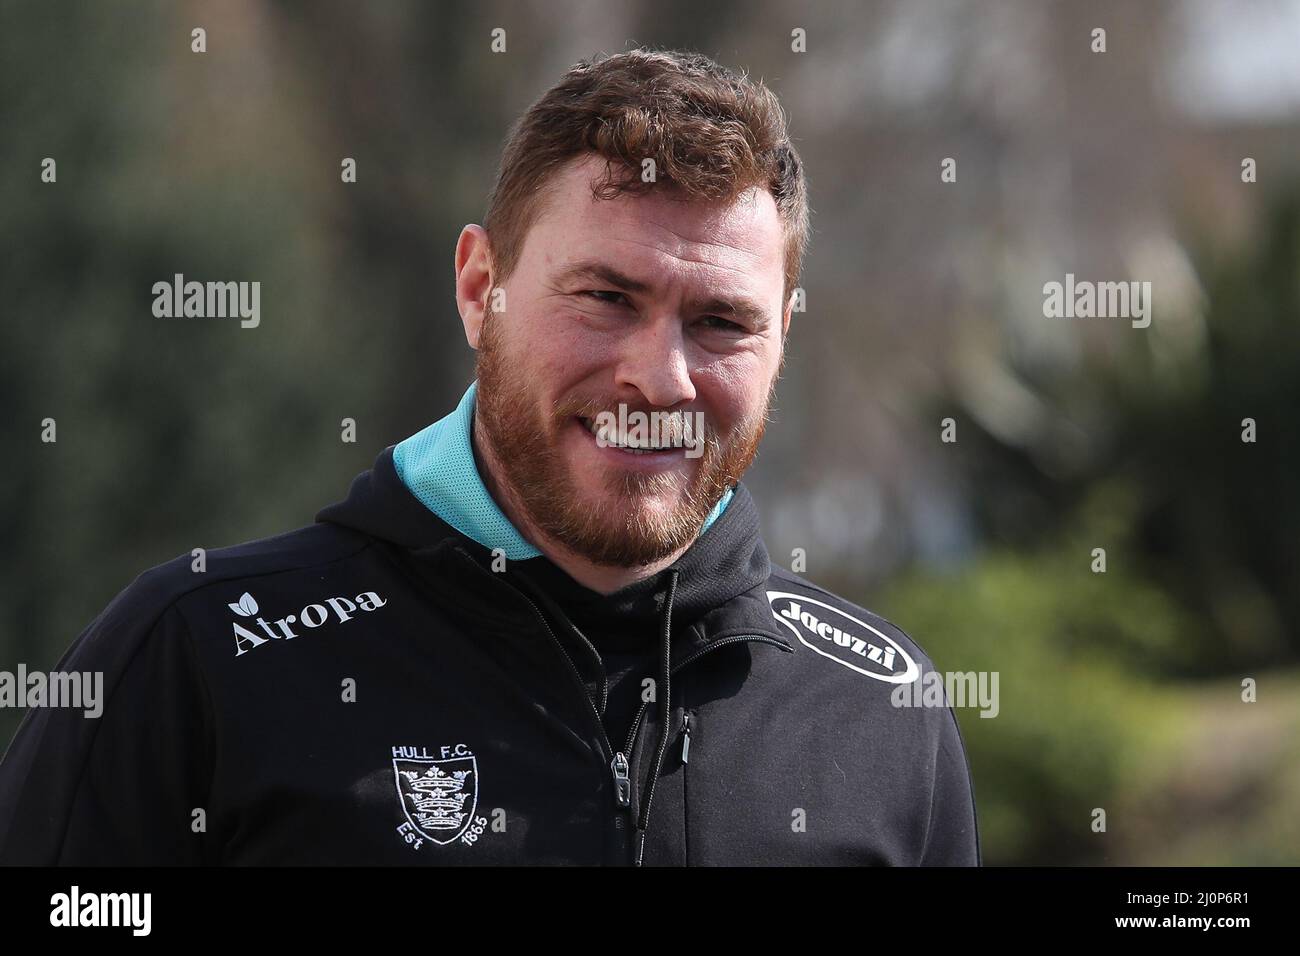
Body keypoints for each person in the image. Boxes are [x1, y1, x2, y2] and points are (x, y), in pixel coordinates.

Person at [0, 48, 978, 866]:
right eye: (604, 297)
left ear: (782, 342)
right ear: (479, 289)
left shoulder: (883, 708)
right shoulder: (198, 658)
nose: (661, 378)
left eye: (721, 320)